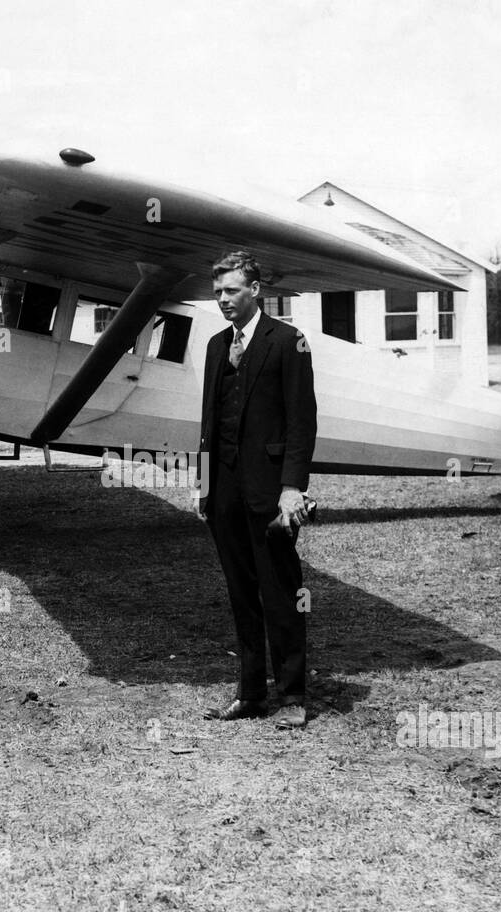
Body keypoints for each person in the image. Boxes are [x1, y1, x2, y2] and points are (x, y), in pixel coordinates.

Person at [198, 251, 317, 729]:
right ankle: (250, 694)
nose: (223, 300)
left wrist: (292, 489)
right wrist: (205, 487)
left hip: (270, 494)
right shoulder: (213, 346)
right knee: (241, 594)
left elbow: (301, 422)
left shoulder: (288, 342)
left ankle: (292, 697)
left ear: (255, 290)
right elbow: (209, 422)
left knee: (282, 593)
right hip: (224, 492)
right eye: (218, 292)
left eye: (232, 291)